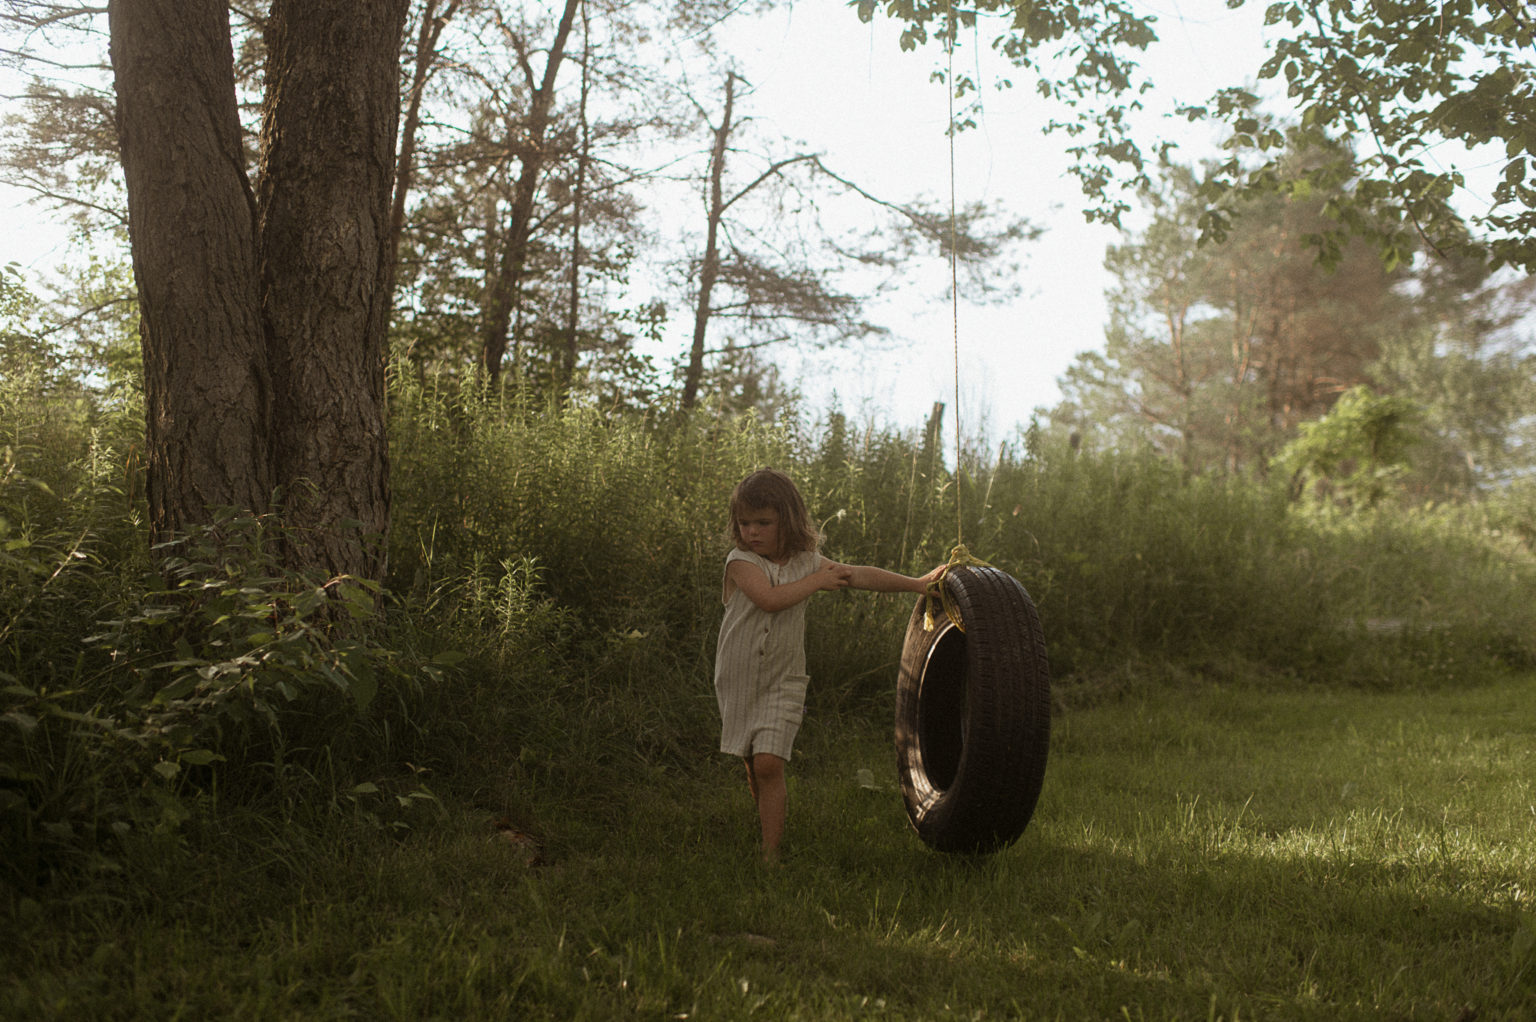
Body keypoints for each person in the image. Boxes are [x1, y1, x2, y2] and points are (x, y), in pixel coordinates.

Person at [714, 468, 942, 863]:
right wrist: (818, 582)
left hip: (783, 678)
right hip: (738, 677)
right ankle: (766, 817)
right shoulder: (741, 561)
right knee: (754, 761)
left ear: (788, 520)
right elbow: (769, 599)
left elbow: (857, 576)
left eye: (763, 523)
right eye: (745, 523)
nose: (752, 532)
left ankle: (770, 855)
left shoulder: (807, 562)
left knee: (769, 762)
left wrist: (917, 584)